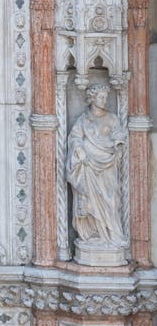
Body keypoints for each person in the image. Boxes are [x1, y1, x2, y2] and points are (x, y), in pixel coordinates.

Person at [66, 84, 126, 249]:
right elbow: (75, 138)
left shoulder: (112, 118)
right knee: (90, 202)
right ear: (92, 98)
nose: (104, 100)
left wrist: (117, 143)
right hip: (88, 166)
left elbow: (119, 134)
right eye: (101, 97)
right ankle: (93, 234)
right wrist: (80, 150)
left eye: (106, 97)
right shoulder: (84, 120)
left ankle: (112, 235)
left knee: (112, 199)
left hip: (108, 166)